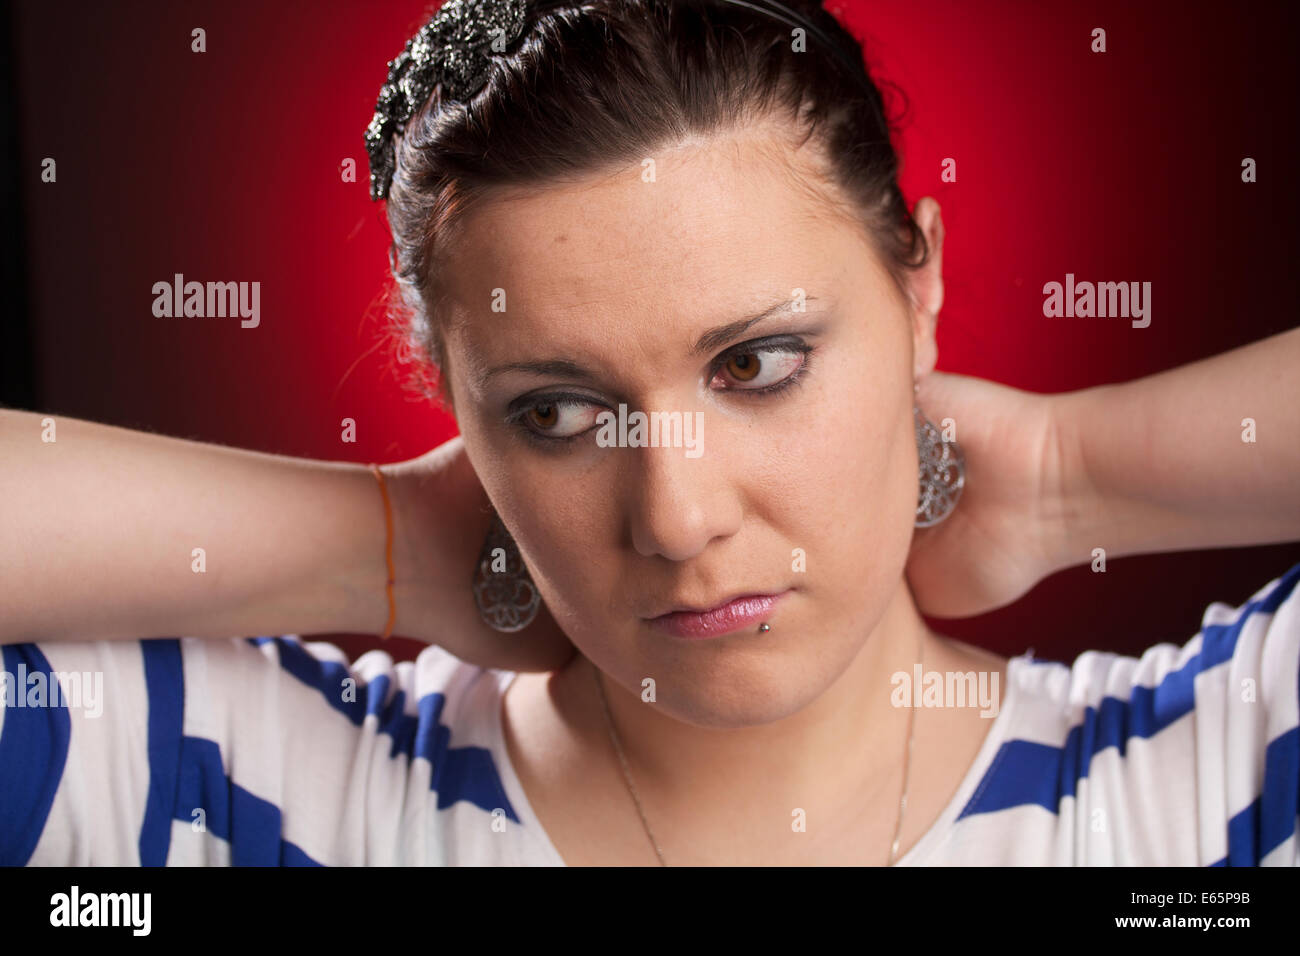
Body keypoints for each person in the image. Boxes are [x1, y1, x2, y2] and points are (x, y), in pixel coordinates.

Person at [2, 0, 1298, 866]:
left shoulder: (1202, 784)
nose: (677, 519)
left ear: (919, 294)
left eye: (757, 363)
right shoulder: (233, 796)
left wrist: (1069, 481)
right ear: (457, 413)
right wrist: (388, 547)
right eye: (555, 413)